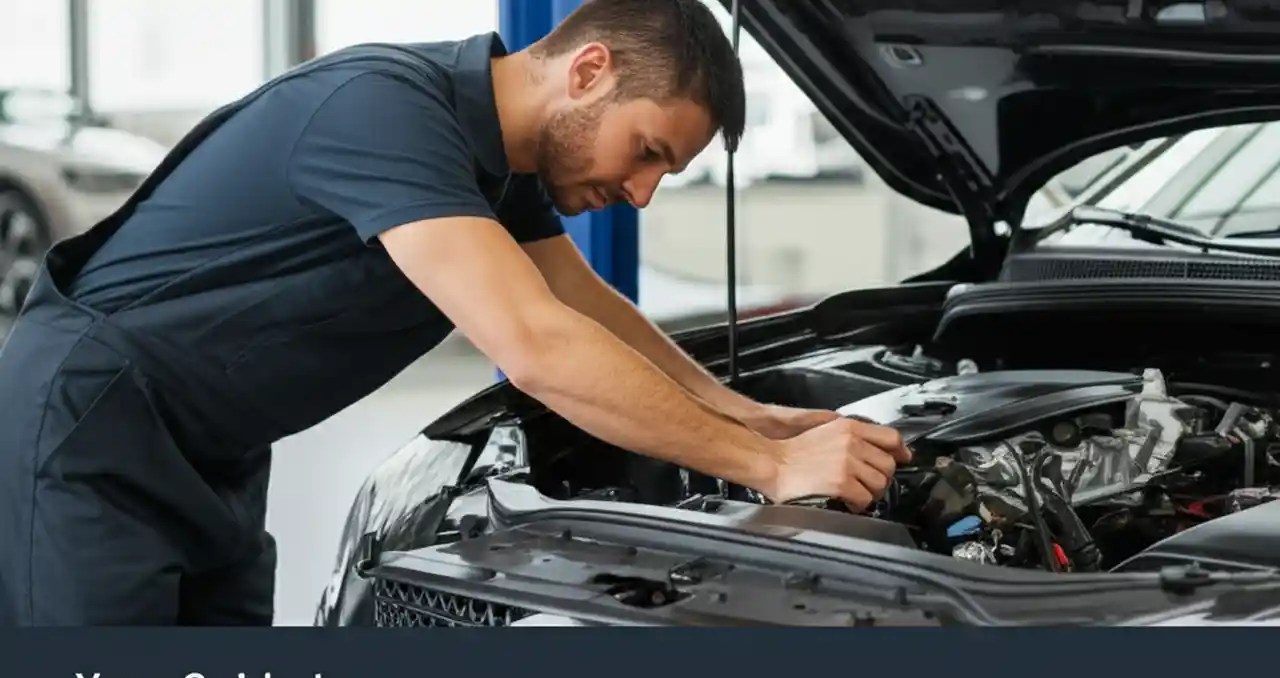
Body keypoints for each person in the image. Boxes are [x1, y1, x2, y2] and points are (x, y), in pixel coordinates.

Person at [0, 0, 910, 626]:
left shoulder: (499, 167)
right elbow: (540, 348)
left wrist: (752, 413)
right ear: (588, 70)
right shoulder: (385, 114)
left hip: (216, 449)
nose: (639, 194)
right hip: (94, 428)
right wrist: (765, 465)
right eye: (646, 152)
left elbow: (588, 309)